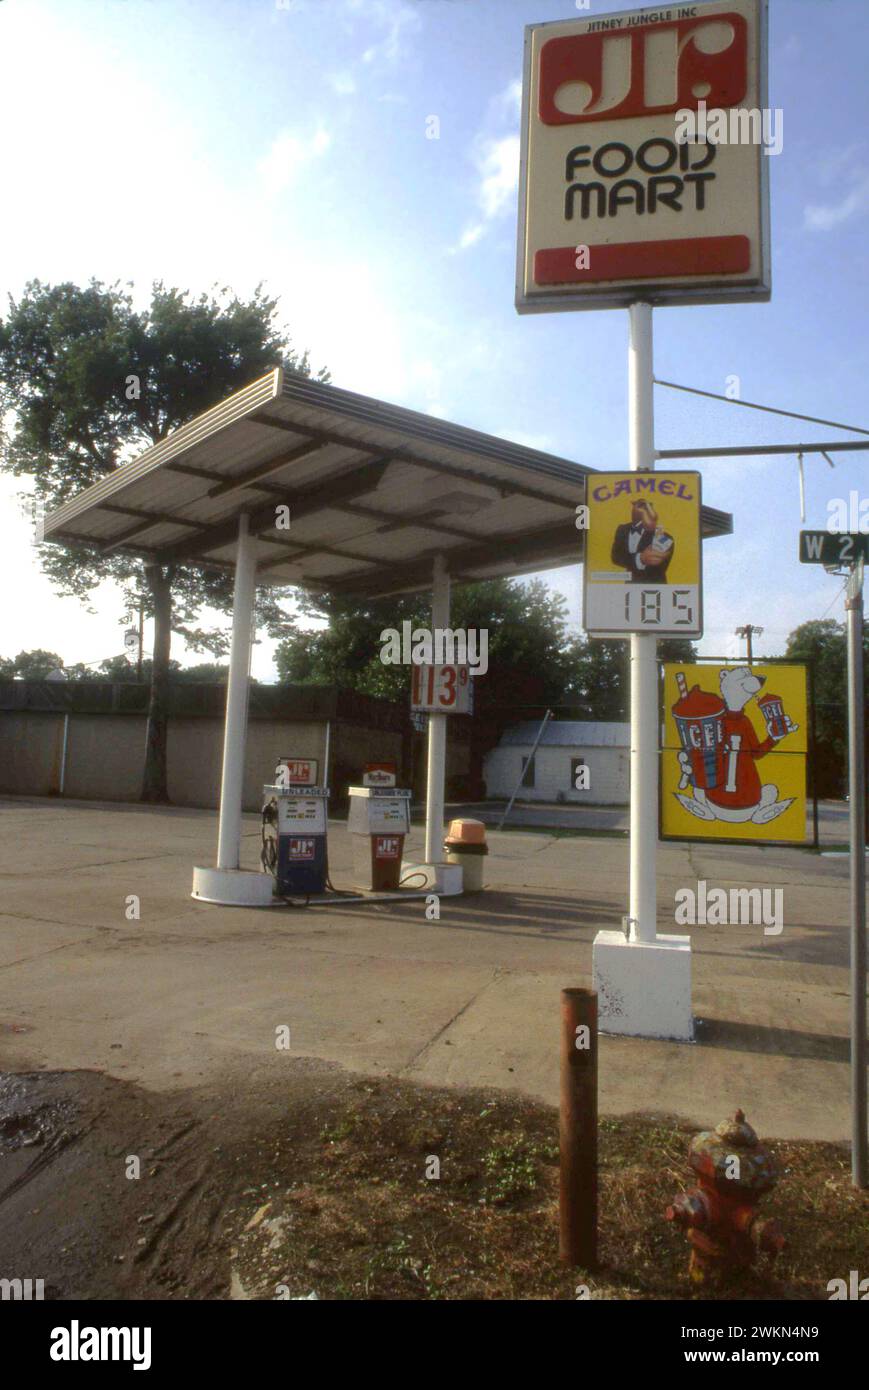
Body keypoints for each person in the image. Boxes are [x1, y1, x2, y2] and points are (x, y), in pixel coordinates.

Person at [611, 498, 674, 582]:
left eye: (645, 507)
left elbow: (657, 569)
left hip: (655, 587)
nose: (638, 510)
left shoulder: (665, 538)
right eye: (637, 506)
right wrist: (640, 558)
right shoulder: (622, 529)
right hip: (630, 585)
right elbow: (616, 557)